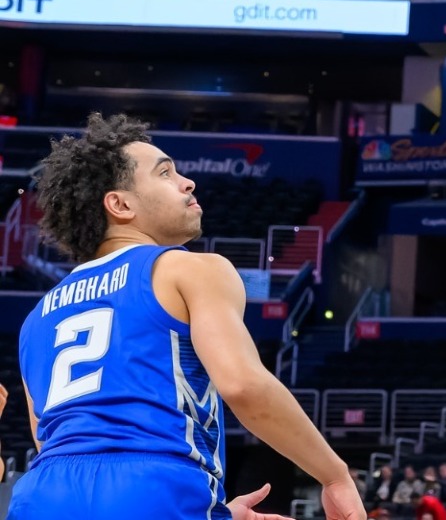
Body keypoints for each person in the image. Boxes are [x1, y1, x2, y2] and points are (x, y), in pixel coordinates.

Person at [11, 114, 367, 520]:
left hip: (42, 495)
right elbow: (243, 385)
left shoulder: (36, 319)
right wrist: (334, 475)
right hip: (152, 485)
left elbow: (49, 439)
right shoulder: (191, 268)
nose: (188, 182)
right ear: (120, 204)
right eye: (165, 173)